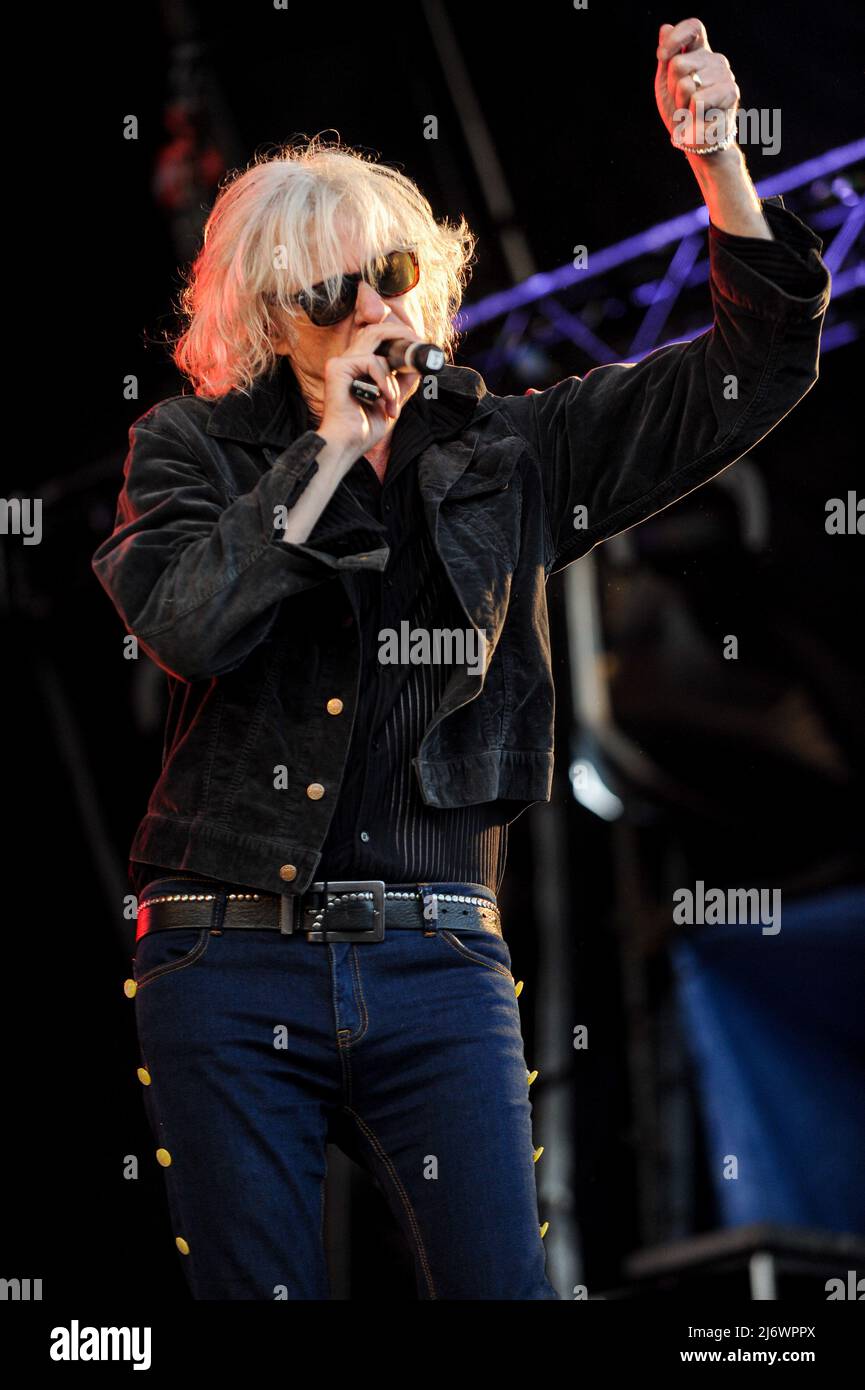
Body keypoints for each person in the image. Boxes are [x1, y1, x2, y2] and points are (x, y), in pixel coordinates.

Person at [91, 18, 831, 1300]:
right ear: (275, 318)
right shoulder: (191, 450)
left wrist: (718, 164)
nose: (376, 309)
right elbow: (188, 624)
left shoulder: (509, 450)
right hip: (225, 952)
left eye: (390, 273)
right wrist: (325, 453)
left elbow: (749, 370)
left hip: (435, 957)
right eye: (336, 293)